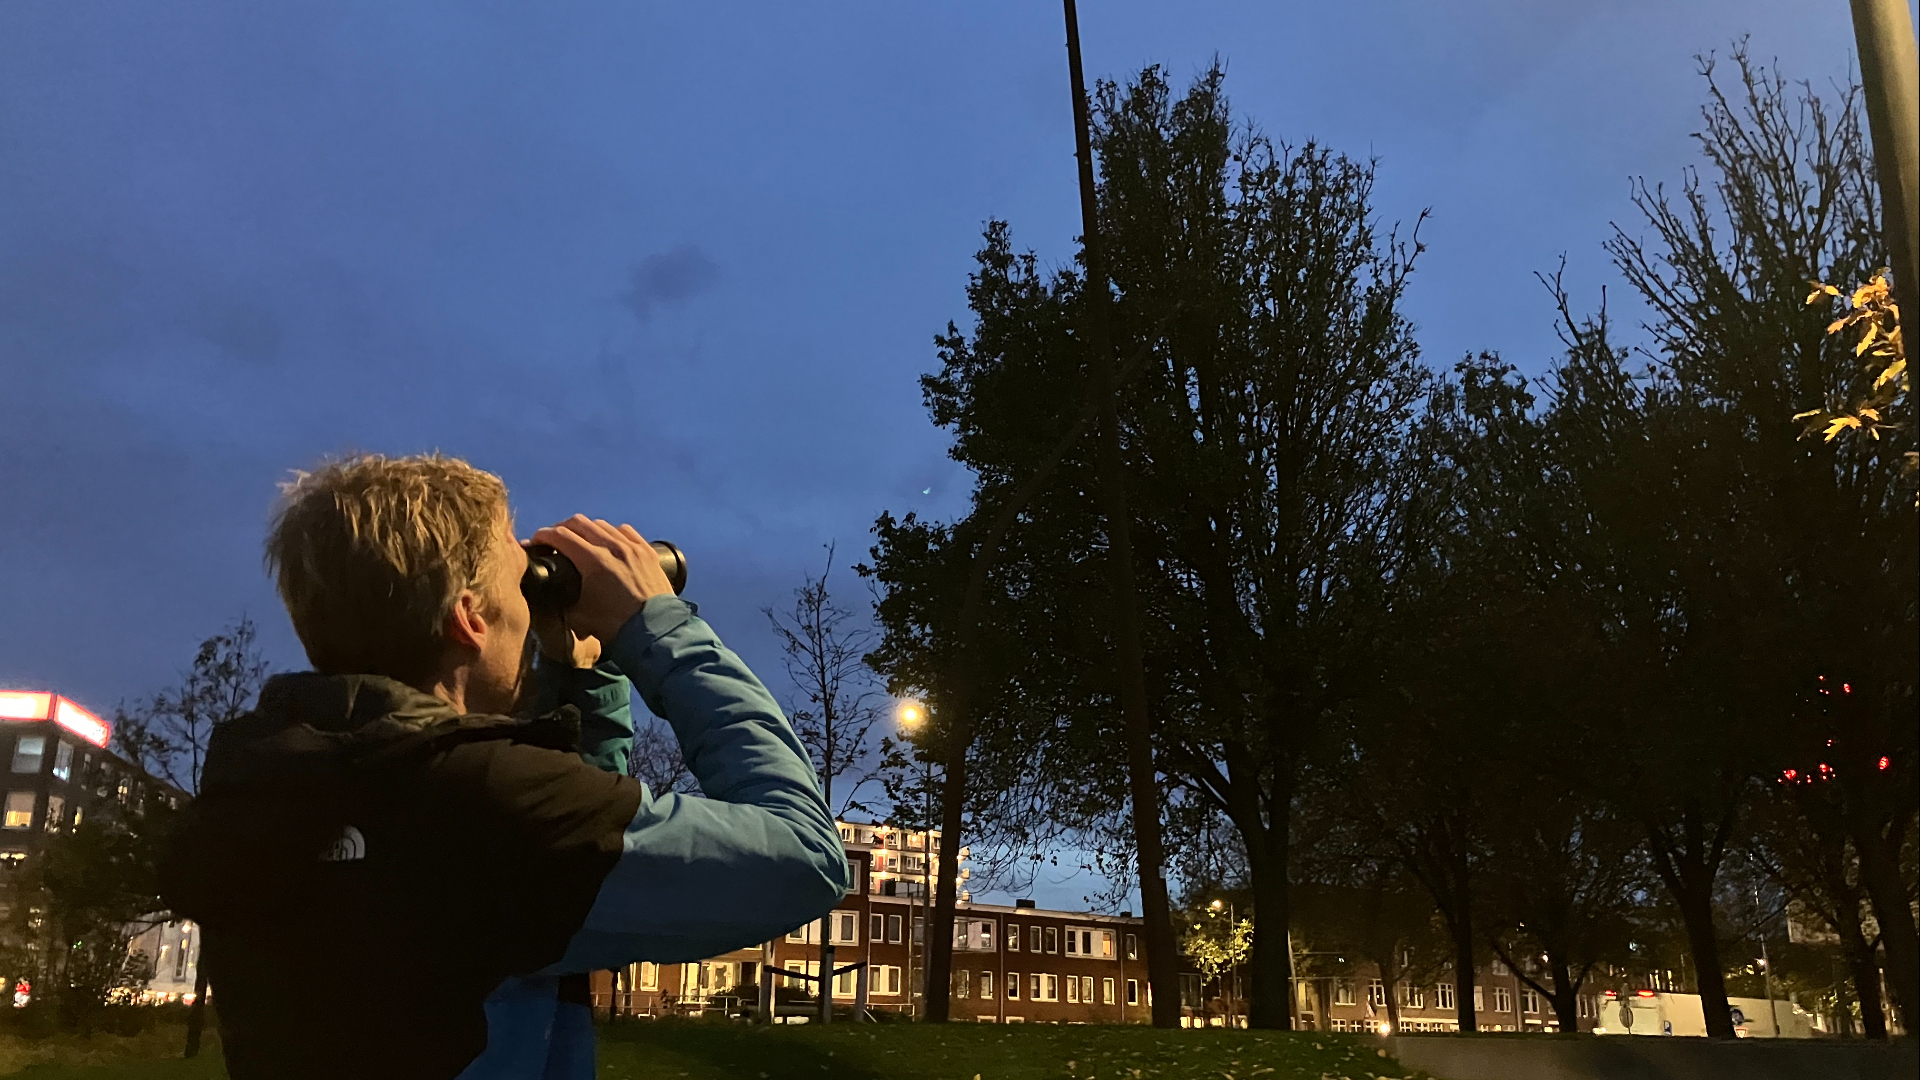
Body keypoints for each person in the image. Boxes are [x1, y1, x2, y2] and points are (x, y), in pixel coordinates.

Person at [161, 454, 850, 1079]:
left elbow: (566, 875)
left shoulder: (261, 787)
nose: (530, 600)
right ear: (470, 617)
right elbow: (803, 855)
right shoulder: (486, 805)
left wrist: (582, 671)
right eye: (521, 582)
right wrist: (658, 627)